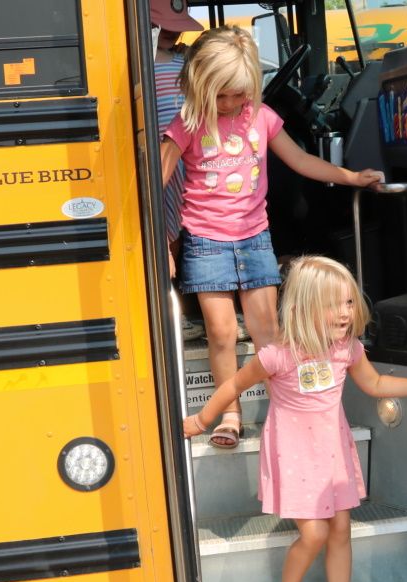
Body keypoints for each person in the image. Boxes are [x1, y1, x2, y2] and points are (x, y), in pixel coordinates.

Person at [183, 256, 407, 582]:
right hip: (294, 452)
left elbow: (376, 384)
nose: (346, 313)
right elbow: (233, 385)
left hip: (332, 451)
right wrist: (201, 421)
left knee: (341, 529)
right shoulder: (278, 354)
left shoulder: (346, 349)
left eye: (349, 303)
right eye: (334, 305)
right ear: (304, 308)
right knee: (314, 533)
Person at [162, 26, 382, 448]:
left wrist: (352, 177)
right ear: (200, 86)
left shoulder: (261, 118)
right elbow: (156, 178)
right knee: (222, 333)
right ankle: (230, 413)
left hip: (254, 237)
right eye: (220, 95)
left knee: (268, 332)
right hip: (205, 241)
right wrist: (162, 241)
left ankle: (289, 406)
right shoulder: (188, 121)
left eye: (238, 94)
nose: (229, 104)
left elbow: (300, 160)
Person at [150, 0, 204, 341]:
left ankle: (185, 301)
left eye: (176, 24)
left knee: (185, 231)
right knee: (164, 236)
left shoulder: (186, 61)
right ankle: (172, 309)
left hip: (189, 159)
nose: (172, 30)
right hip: (161, 156)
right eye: (164, 24)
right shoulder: (137, 62)